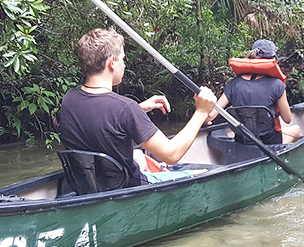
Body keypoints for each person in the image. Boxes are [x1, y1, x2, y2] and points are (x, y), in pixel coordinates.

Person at [58, 28, 216, 187]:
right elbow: (172, 154)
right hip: (127, 186)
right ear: (112, 62)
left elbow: (102, 119)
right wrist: (201, 112)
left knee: (139, 154)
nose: (124, 65)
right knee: (201, 174)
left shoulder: (69, 100)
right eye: (122, 58)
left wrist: (140, 109)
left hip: (90, 184)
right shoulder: (125, 108)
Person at [207, 39, 301, 145]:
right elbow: (287, 119)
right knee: (296, 130)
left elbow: (211, 115)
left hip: (241, 140)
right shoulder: (277, 85)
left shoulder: (234, 83)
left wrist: (206, 119)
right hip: (268, 142)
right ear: (273, 59)